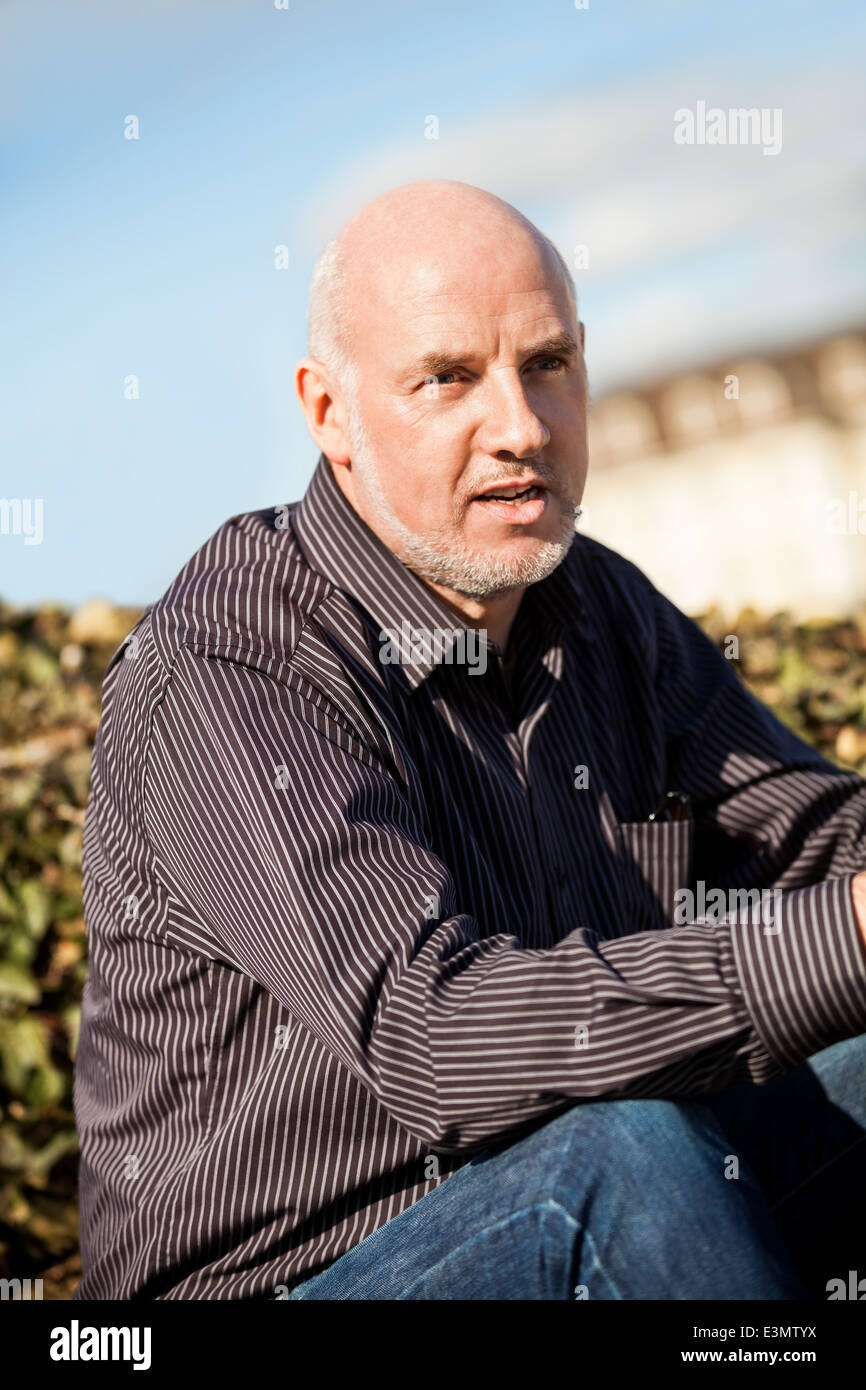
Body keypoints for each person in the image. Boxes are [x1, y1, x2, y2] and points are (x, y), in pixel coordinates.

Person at [73, 180, 866, 1301]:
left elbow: (815, 841)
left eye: (546, 365)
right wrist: (841, 938)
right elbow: (434, 1037)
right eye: (446, 379)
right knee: (616, 1165)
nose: (522, 427)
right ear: (329, 414)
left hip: (602, 1177)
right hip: (295, 1277)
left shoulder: (597, 607)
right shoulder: (231, 660)